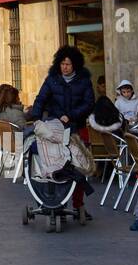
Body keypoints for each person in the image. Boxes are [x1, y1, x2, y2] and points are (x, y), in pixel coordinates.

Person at [30, 45, 97, 221]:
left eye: (68, 64)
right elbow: (41, 99)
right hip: (55, 126)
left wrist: (72, 115)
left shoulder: (84, 80)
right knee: (54, 163)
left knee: (78, 165)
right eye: (62, 64)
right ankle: (57, 202)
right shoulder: (52, 79)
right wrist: (36, 117)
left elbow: (89, 103)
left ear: (75, 65)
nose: (65, 67)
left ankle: (78, 204)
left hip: (77, 127)